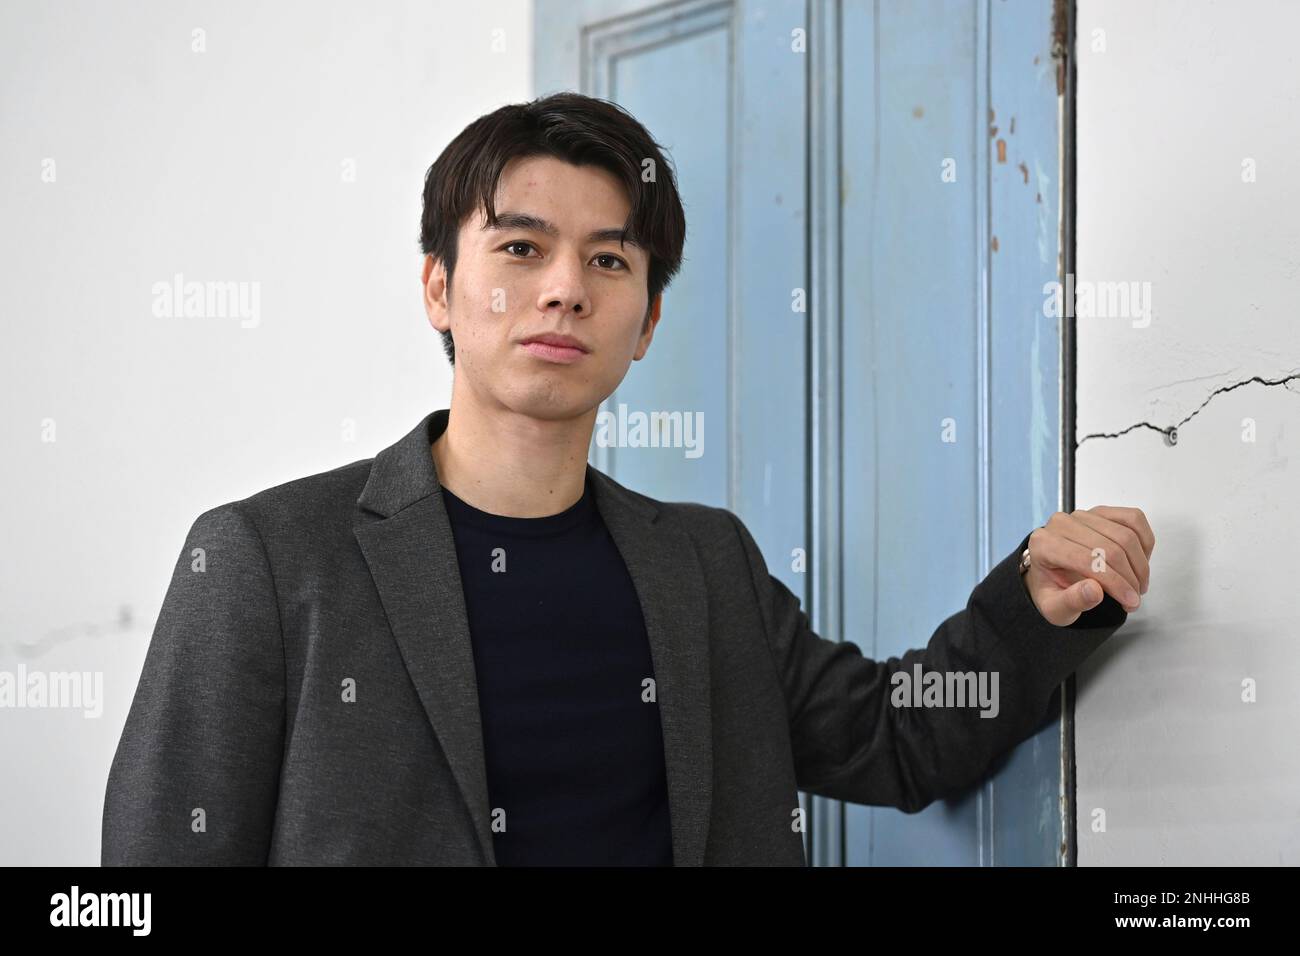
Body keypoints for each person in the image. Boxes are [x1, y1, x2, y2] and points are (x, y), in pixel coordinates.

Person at [101, 92, 1153, 866]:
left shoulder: (702, 562)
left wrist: (1031, 606)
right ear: (439, 287)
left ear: (646, 320)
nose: (562, 289)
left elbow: (895, 740)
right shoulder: (268, 558)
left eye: (608, 261)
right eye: (520, 246)